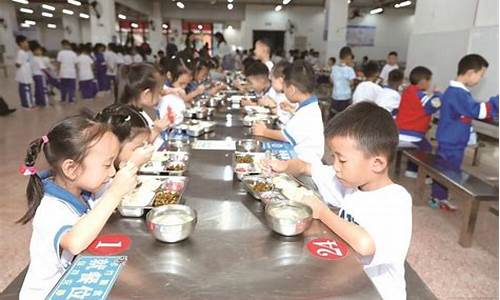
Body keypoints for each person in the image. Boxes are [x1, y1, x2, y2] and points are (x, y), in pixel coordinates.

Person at [264, 102, 412, 300]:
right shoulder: (352, 183)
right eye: (333, 157)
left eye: (341, 160)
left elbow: (365, 244)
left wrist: (322, 212)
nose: (335, 167)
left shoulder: (396, 200)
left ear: (377, 163)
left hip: (376, 292)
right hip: (348, 281)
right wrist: (284, 166)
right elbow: (308, 168)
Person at [18, 115, 138, 299]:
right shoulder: (51, 209)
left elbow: (113, 186)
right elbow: (75, 243)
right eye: (107, 165)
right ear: (71, 169)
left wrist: (132, 166)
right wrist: (115, 193)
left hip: (73, 283)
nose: (112, 172)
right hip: (49, 294)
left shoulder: (81, 188)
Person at [431, 54, 499, 210]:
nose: (480, 79)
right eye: (480, 75)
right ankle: (438, 198)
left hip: (452, 138)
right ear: (470, 73)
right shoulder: (458, 93)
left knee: (448, 168)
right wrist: (497, 101)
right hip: (452, 140)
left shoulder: (457, 92)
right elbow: (478, 111)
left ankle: (440, 195)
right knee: (447, 169)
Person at [252, 60, 324, 164]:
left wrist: (263, 131)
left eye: (284, 88)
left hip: (303, 165)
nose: (283, 91)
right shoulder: (310, 107)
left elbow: (284, 136)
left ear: (291, 90)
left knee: (257, 160)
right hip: (301, 159)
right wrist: (291, 110)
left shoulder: (306, 113)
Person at [395, 66, 441, 179]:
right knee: (427, 149)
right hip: (412, 133)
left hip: (399, 130)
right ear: (423, 81)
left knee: (418, 147)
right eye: (429, 80)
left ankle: (411, 169)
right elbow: (434, 105)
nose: (430, 83)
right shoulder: (420, 95)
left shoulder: (407, 91)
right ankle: (419, 173)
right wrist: (438, 94)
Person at [117, 63, 174, 148]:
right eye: (159, 92)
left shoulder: (137, 111)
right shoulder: (130, 120)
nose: (161, 96)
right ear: (146, 94)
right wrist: (156, 131)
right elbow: (136, 151)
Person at [254, 61, 295, 127]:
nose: (271, 84)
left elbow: (289, 123)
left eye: (272, 81)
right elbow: (264, 99)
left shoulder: (291, 98)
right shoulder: (275, 91)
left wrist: (273, 108)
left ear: (280, 81)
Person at [157, 58, 193, 128]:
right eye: (181, 83)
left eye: (187, 84)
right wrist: (173, 90)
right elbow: (159, 92)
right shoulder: (163, 88)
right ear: (169, 75)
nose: (184, 87)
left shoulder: (180, 88)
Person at [331, 46, 356, 114]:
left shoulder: (334, 68)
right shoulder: (350, 69)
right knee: (343, 116)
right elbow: (352, 83)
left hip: (335, 96)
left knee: (334, 115)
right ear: (348, 56)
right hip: (345, 97)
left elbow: (331, 80)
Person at [15, 35, 34, 109]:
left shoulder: (25, 52)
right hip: (24, 75)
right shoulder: (21, 52)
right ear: (21, 43)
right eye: (26, 42)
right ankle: (27, 105)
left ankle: (25, 103)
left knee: (25, 89)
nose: (27, 44)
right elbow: (18, 64)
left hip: (26, 74)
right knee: (25, 89)